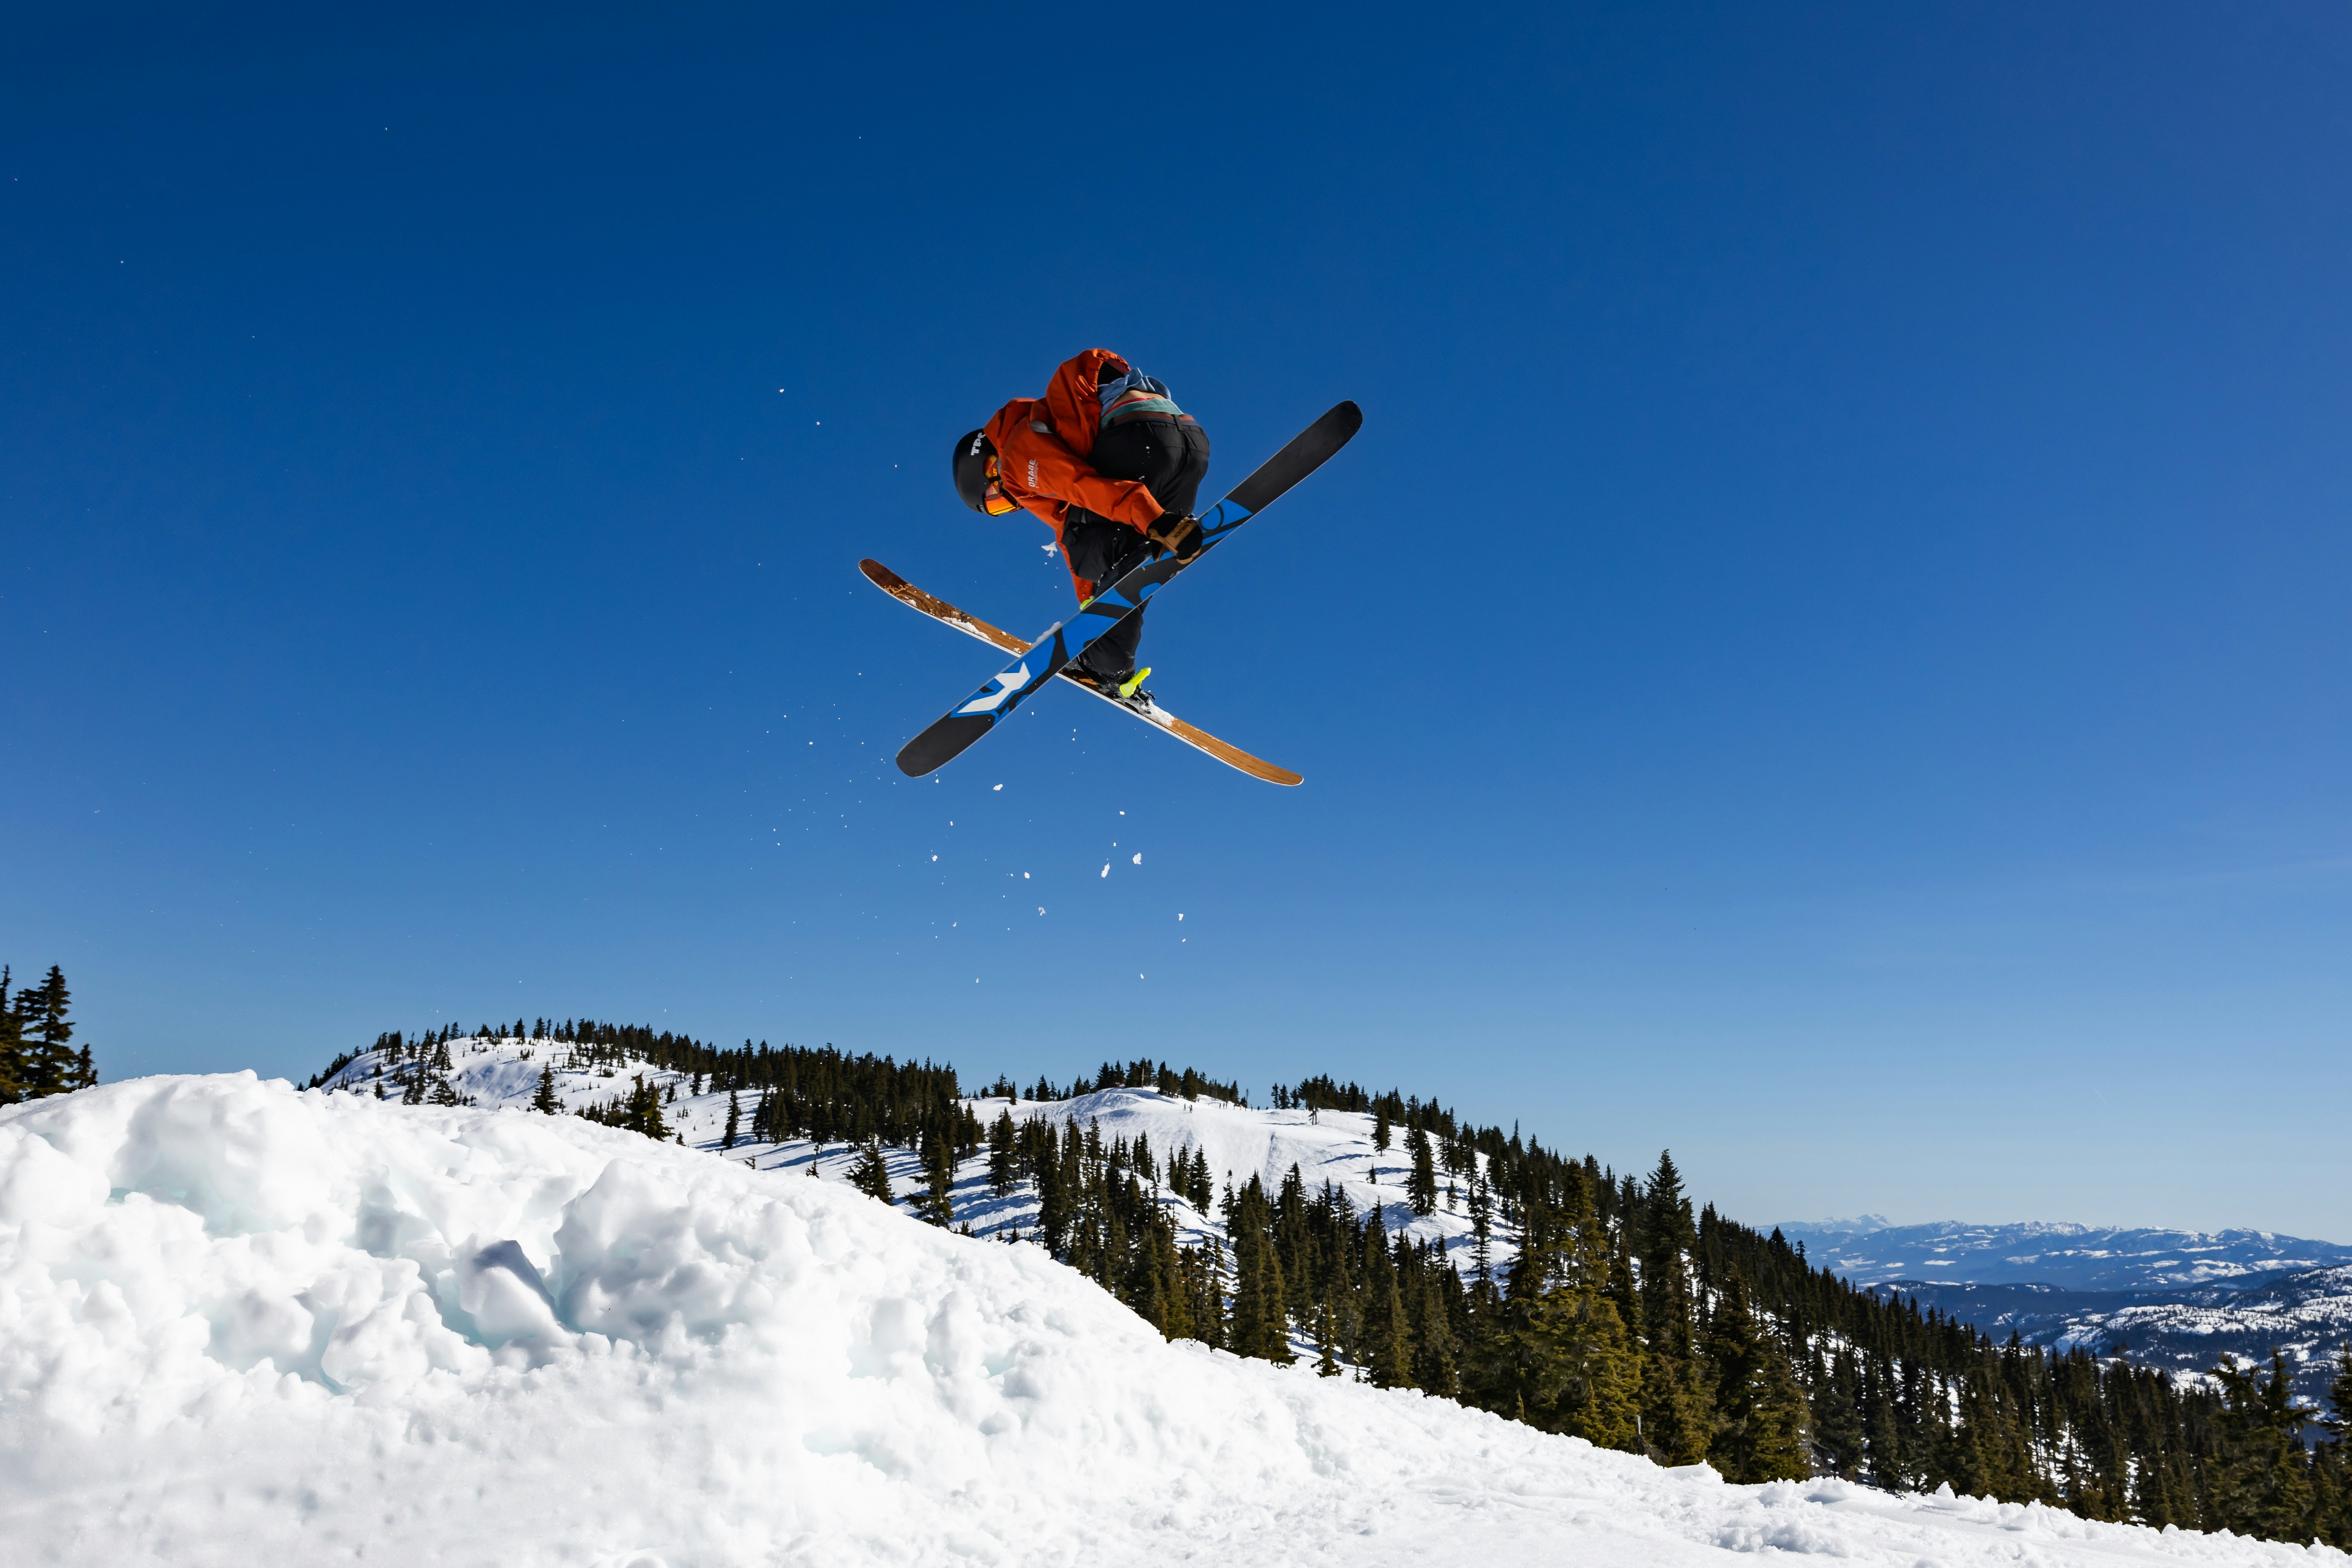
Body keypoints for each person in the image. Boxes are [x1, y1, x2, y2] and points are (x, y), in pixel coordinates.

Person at [951, 349, 1210, 696]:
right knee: (1136, 554)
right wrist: (1092, 607)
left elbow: (1079, 485)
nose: (1012, 506)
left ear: (990, 469)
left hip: (1138, 439)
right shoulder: (1043, 424)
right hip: (1191, 445)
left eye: (997, 502)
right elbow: (1069, 532)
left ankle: (1106, 662)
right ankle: (1109, 651)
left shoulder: (1016, 454)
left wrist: (1150, 518)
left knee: (1102, 539)